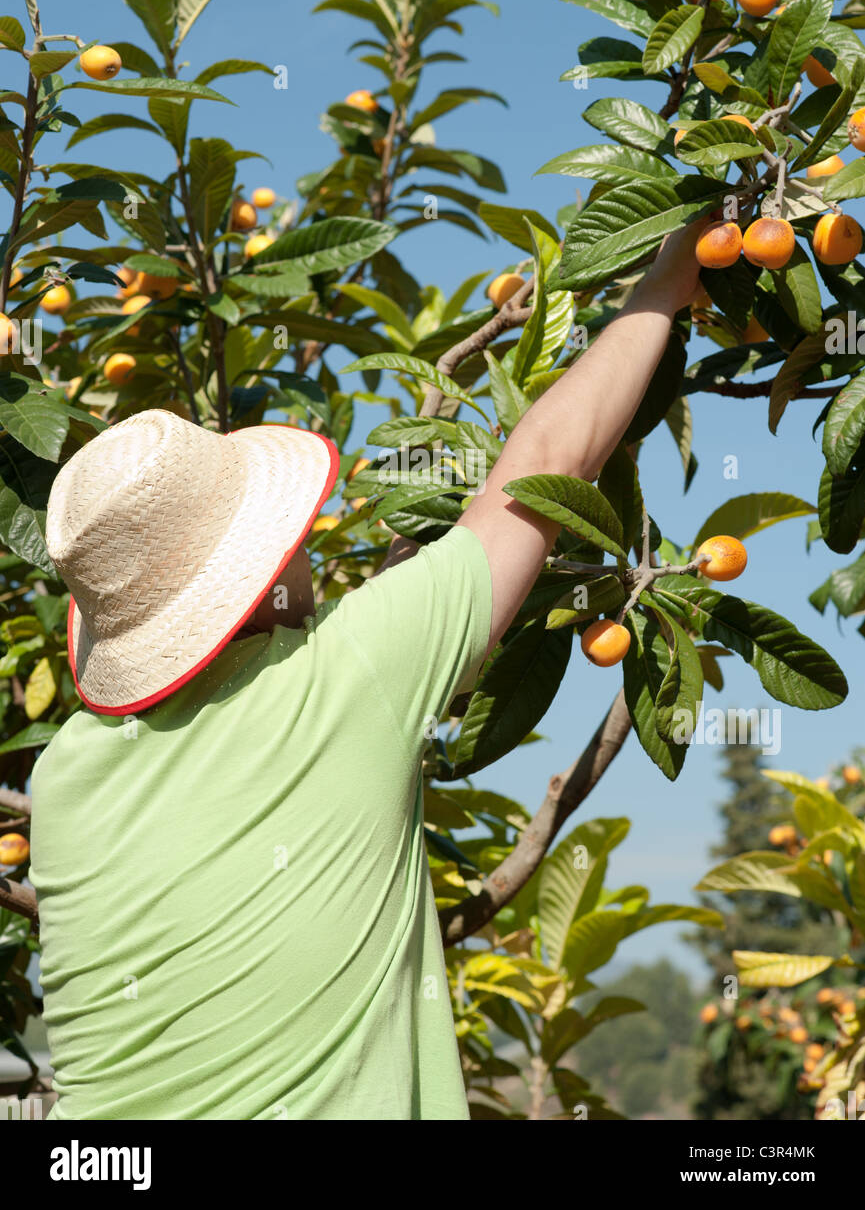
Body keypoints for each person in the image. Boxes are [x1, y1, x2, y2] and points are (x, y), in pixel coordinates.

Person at [29, 224, 701, 1120]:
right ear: (261, 572)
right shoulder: (350, 677)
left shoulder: (63, 774)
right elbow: (548, 464)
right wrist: (670, 274)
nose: (305, 538)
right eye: (285, 530)